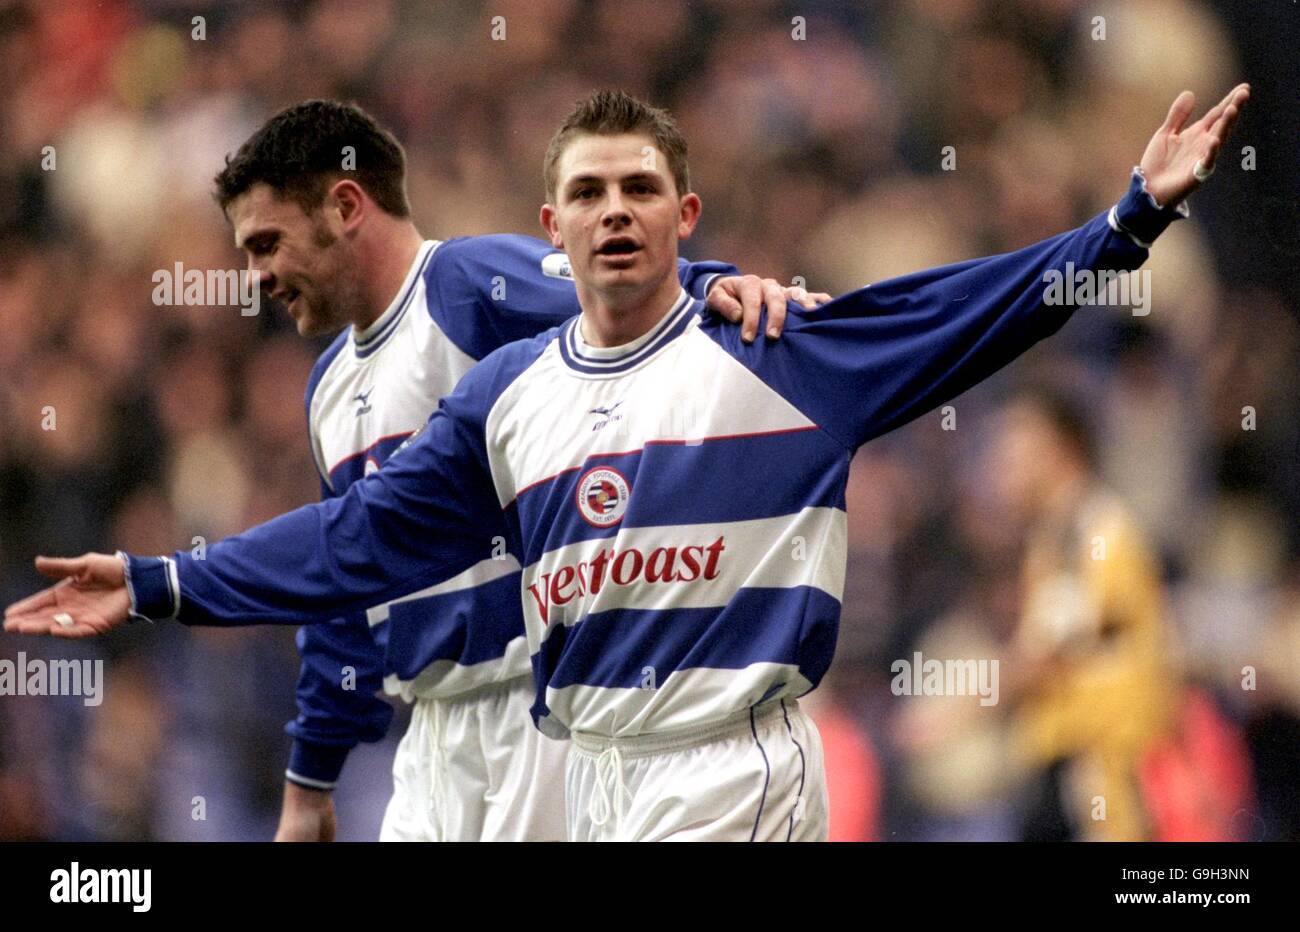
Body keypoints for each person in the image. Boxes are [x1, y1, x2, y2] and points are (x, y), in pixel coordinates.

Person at [6, 83, 1249, 841]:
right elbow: (354, 543)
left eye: (640, 187)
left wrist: (1127, 220)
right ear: (553, 225)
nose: (614, 207)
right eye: (589, 190)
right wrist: (160, 580)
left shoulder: (770, 349)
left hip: (725, 767)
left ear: (682, 215)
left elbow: (960, 314)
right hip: (583, 768)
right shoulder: (502, 400)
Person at [215, 99, 817, 841]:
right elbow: (346, 589)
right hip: (431, 735)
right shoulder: (329, 388)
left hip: (537, 717)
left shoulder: (464, 286)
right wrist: (309, 783)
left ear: (344, 207)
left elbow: (631, 289)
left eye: (266, 244)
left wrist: (716, 286)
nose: (256, 275)